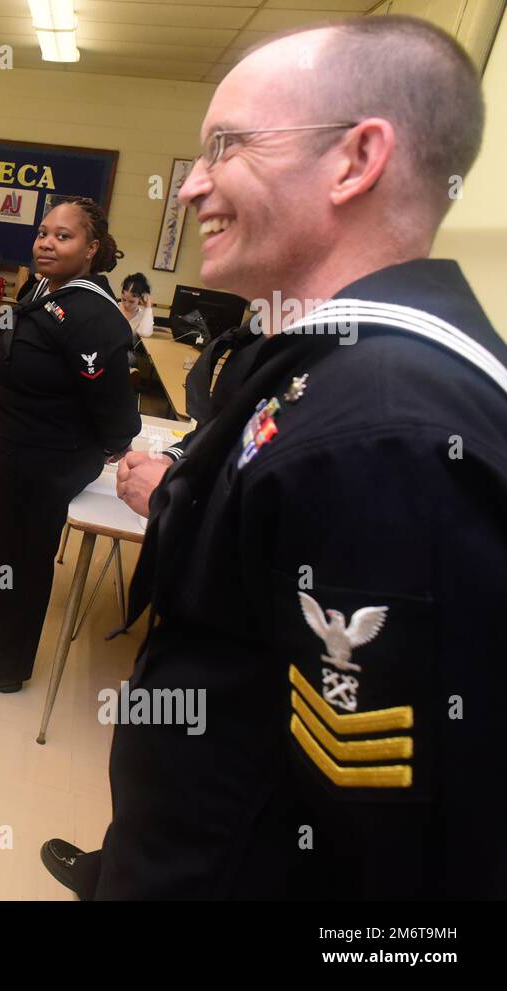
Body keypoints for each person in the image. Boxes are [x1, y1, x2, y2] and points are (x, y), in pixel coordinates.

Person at [45, 15, 507, 900]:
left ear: (356, 159)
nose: (191, 187)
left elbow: (405, 853)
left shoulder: (387, 437)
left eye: (228, 146)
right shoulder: (319, 360)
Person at [0, 198, 140, 696]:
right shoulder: (42, 286)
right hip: (0, 439)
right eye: (43, 232)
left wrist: (106, 446)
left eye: (62, 236)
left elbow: (115, 407)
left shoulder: (94, 315)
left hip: (44, 457)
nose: (46, 242)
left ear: (92, 248)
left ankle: (4, 663)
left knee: (16, 559)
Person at [118, 272, 154, 341]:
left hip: (129, 351)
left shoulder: (143, 315)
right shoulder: (113, 308)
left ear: (141, 298)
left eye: (132, 301)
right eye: (124, 299)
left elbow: (145, 333)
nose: (126, 304)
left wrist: (148, 307)